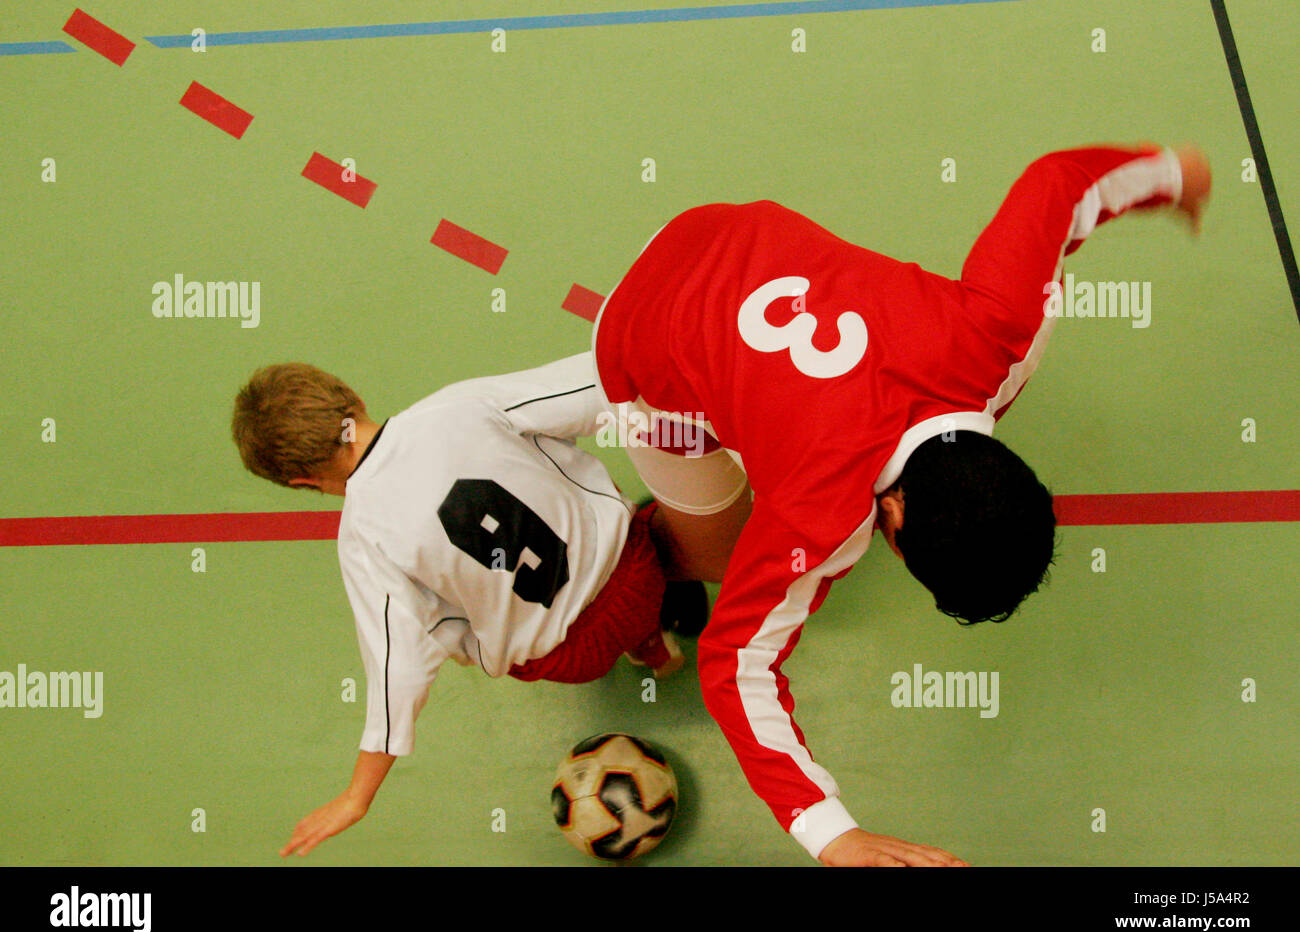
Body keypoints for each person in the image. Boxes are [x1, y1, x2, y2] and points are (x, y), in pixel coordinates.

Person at [591, 143, 1213, 866]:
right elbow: (734, 661)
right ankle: (645, 560)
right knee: (721, 556)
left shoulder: (1001, 331)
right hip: (640, 348)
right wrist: (833, 836)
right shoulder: (815, 517)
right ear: (889, 523)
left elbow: (1056, 183)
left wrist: (1171, 174)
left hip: (719, 230)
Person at [230, 353, 706, 857]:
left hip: (570, 655)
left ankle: (647, 652)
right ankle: (655, 647)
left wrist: (357, 795)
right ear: (353, 399)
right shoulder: (460, 407)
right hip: (634, 571)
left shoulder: (363, 542)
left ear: (303, 484)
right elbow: (600, 389)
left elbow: (400, 675)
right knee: (642, 527)